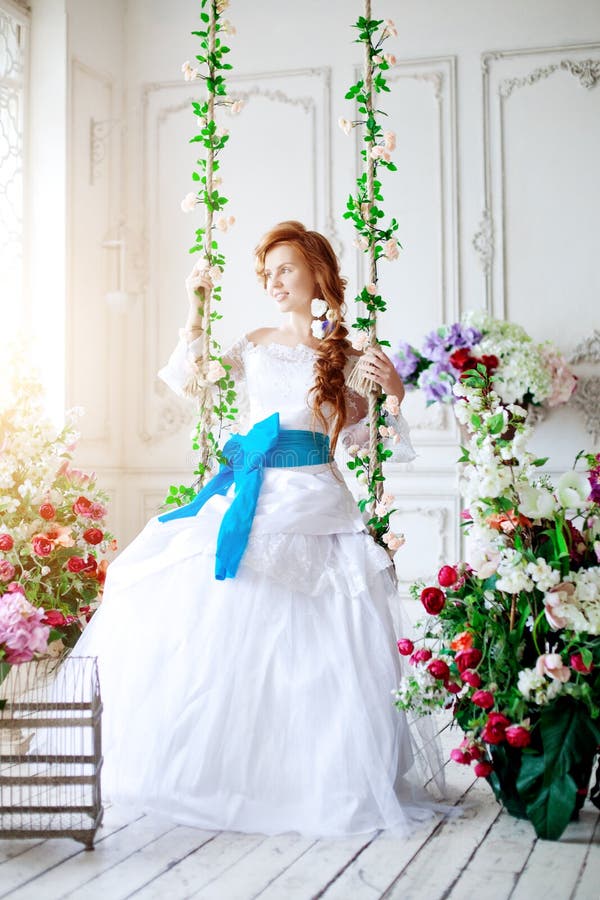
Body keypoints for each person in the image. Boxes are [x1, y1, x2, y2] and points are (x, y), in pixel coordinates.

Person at [70, 220, 442, 837]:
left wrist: (395, 393)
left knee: (323, 634)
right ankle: (225, 769)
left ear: (317, 272)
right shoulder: (253, 343)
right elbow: (191, 381)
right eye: (266, 274)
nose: (273, 283)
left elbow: (375, 443)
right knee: (222, 610)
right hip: (253, 491)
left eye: (285, 269)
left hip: (315, 496)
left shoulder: (347, 357)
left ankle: (315, 772)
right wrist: (196, 307)